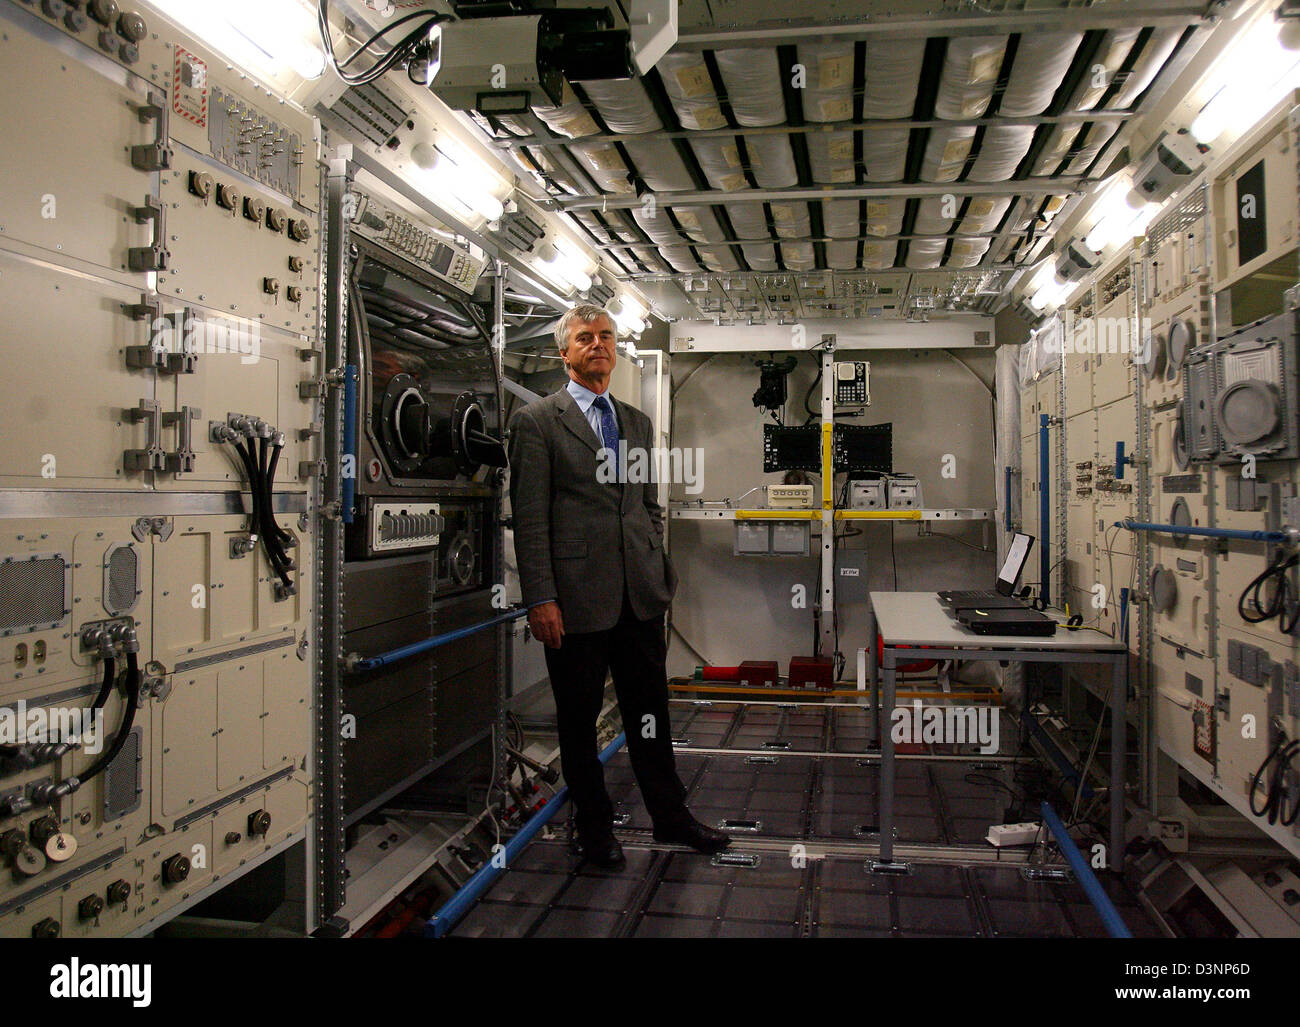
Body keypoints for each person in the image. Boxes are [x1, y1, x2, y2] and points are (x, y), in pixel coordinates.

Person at [507, 304, 730, 868]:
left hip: (639, 598)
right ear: (565, 352)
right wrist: (541, 597)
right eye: (585, 338)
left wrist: (653, 563)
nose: (598, 345)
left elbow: (646, 503)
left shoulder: (635, 421)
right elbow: (530, 518)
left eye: (606, 337)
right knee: (579, 722)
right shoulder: (537, 422)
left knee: (650, 713)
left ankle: (671, 819)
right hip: (575, 601)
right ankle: (595, 827)